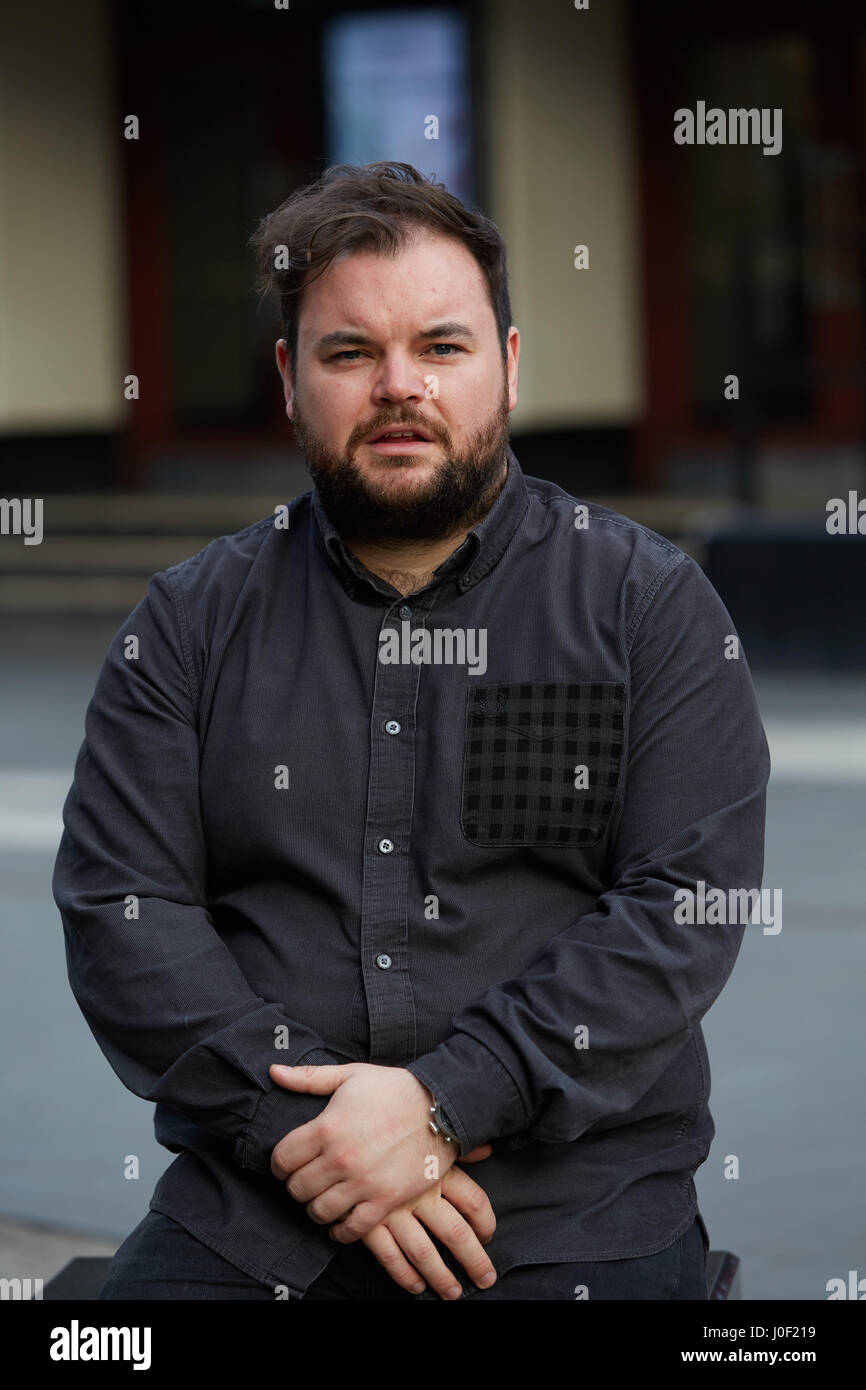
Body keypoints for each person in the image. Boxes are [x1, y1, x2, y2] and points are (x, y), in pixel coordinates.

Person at [53, 161, 769, 1301]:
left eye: (441, 347)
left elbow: (681, 909)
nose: (399, 386)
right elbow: (121, 913)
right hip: (256, 1205)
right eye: (350, 353)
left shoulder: (646, 606)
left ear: (510, 366)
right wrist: (317, 1137)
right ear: (290, 379)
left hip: (567, 1212)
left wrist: (442, 1104)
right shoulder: (188, 622)